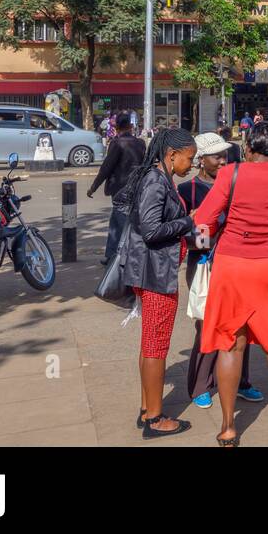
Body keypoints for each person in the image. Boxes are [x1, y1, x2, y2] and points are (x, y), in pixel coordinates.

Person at [192, 121, 268, 447]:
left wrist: (202, 246)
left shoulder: (231, 173)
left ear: (249, 147)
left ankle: (228, 427)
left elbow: (203, 221)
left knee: (230, 343)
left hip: (231, 264)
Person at [118, 128, 198, 440]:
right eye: (189, 158)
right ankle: (155, 418)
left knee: (150, 342)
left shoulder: (157, 177)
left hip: (152, 270)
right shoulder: (155, 180)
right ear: (171, 155)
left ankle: (146, 408)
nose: (191, 164)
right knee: (156, 345)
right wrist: (188, 221)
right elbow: (151, 230)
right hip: (155, 273)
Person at [177, 133, 261, 409]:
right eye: (217, 157)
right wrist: (205, 229)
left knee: (241, 323)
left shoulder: (237, 184)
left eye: (225, 156)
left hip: (237, 260)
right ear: (201, 160)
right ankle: (201, 385)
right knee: (207, 324)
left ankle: (241, 381)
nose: (223, 161)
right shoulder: (188, 190)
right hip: (203, 263)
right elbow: (184, 232)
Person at [86, 112, 147, 266]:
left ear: (116, 127)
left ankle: (125, 257)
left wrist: (93, 187)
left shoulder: (117, 143)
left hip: (120, 189)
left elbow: (106, 168)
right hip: (136, 188)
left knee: (123, 224)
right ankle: (110, 254)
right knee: (116, 221)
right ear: (131, 126)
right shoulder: (140, 143)